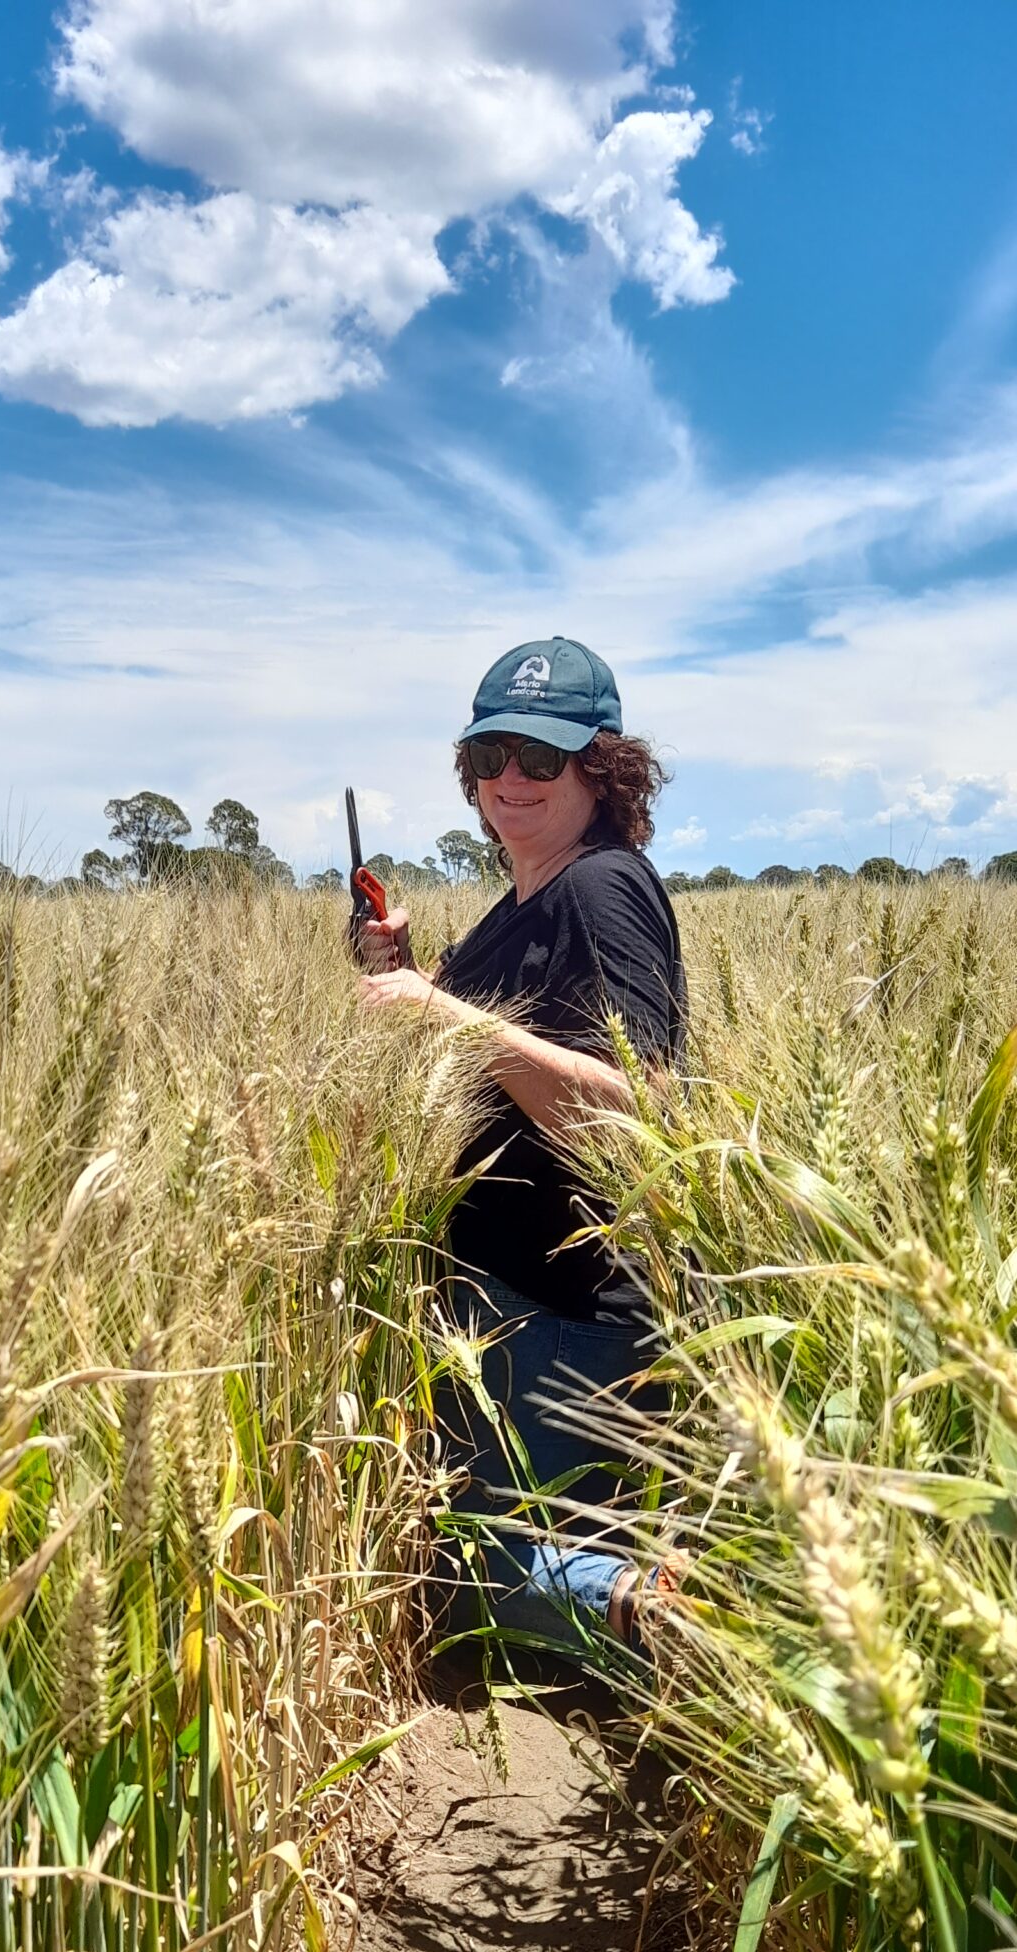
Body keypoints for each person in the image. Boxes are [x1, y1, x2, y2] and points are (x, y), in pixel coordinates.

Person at [358, 636, 686, 1650]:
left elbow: (640, 1117)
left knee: (448, 1574)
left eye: (540, 758)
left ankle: (665, 1613)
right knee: (440, 1539)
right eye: (492, 753)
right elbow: (518, 1046)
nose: (510, 779)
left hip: (558, 1317)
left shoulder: (599, 889)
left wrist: (437, 1016)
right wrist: (410, 972)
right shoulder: (534, 894)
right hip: (512, 1309)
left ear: (601, 764)